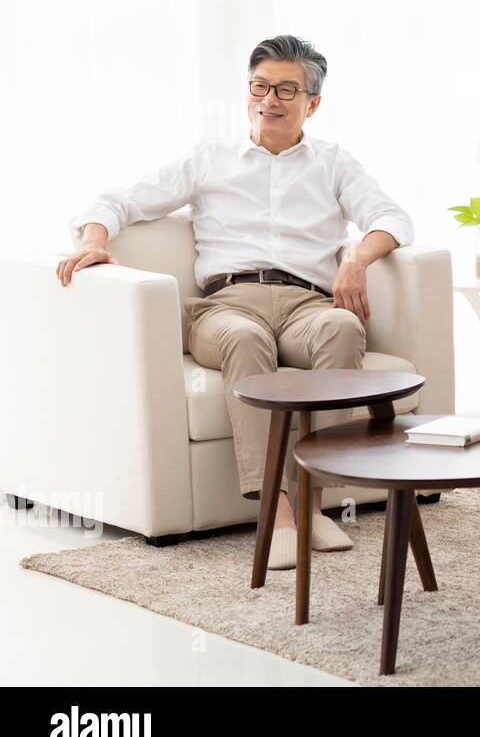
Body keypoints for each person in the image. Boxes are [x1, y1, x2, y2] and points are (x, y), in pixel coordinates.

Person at [58, 35, 413, 569]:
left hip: (305, 304)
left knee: (342, 327)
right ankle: (279, 511)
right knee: (246, 340)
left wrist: (357, 259)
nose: (269, 99)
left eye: (286, 89)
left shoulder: (334, 163)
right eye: (260, 86)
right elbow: (118, 200)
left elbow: (394, 219)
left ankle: (315, 502)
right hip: (226, 305)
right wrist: (93, 241)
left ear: (312, 103)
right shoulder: (210, 158)